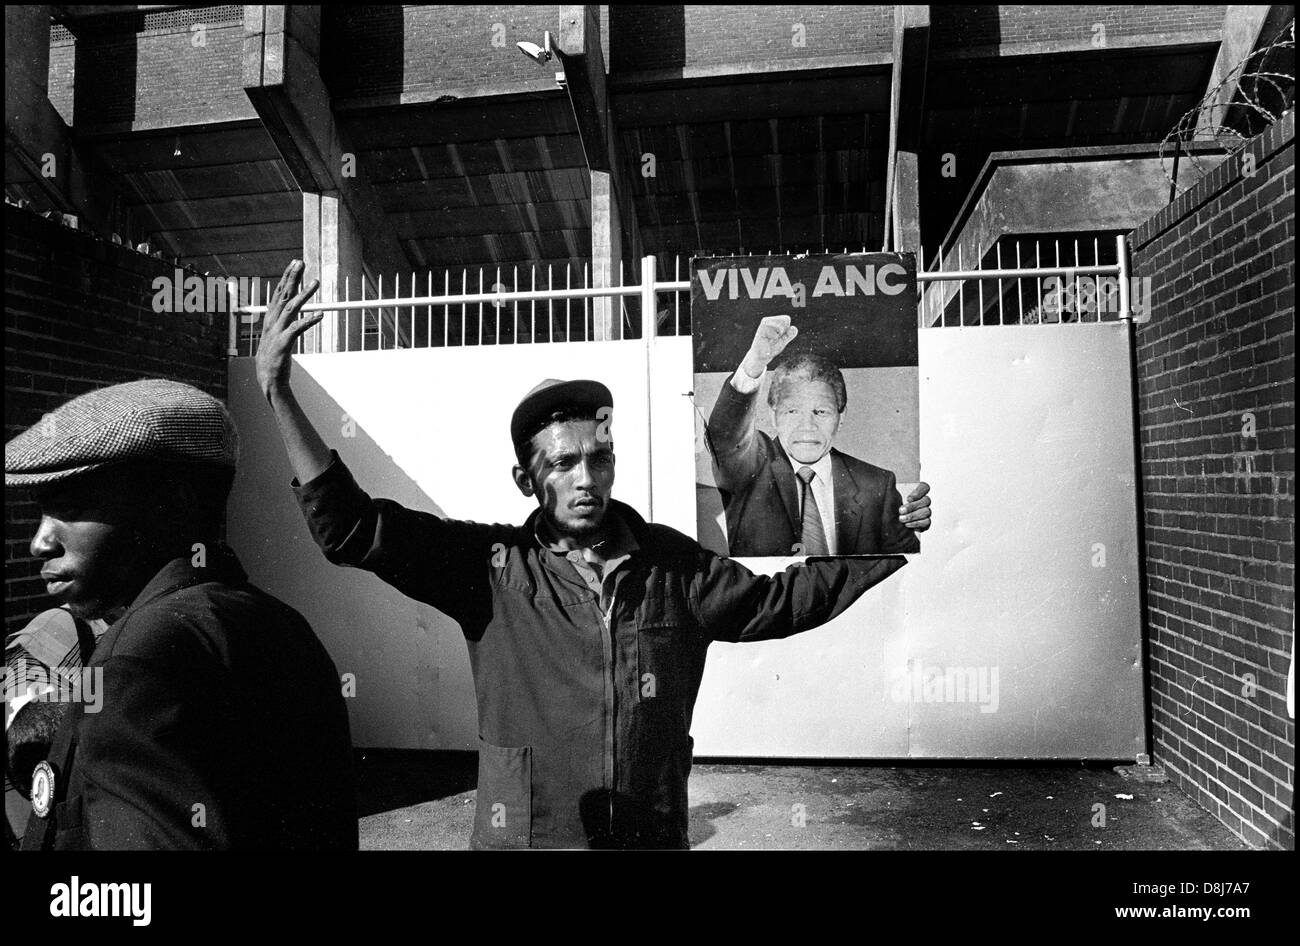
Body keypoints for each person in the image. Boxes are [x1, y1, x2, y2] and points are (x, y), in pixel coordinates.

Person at [259, 260, 933, 849]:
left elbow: (781, 601)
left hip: (648, 837)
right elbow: (348, 528)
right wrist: (278, 392)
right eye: (563, 464)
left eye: (598, 457)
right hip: (527, 840)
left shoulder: (673, 566)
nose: (586, 478)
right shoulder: (489, 571)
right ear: (528, 481)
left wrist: (883, 543)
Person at [4, 379, 358, 850]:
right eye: (41, 512)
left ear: (172, 503)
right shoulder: (280, 623)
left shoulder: (136, 664)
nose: (39, 542)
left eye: (70, 507)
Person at [706, 314, 927, 557]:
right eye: (792, 411)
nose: (807, 426)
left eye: (821, 412)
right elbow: (724, 439)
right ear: (772, 415)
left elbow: (905, 566)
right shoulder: (751, 466)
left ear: (840, 418)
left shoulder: (877, 485)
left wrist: (922, 527)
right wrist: (754, 364)